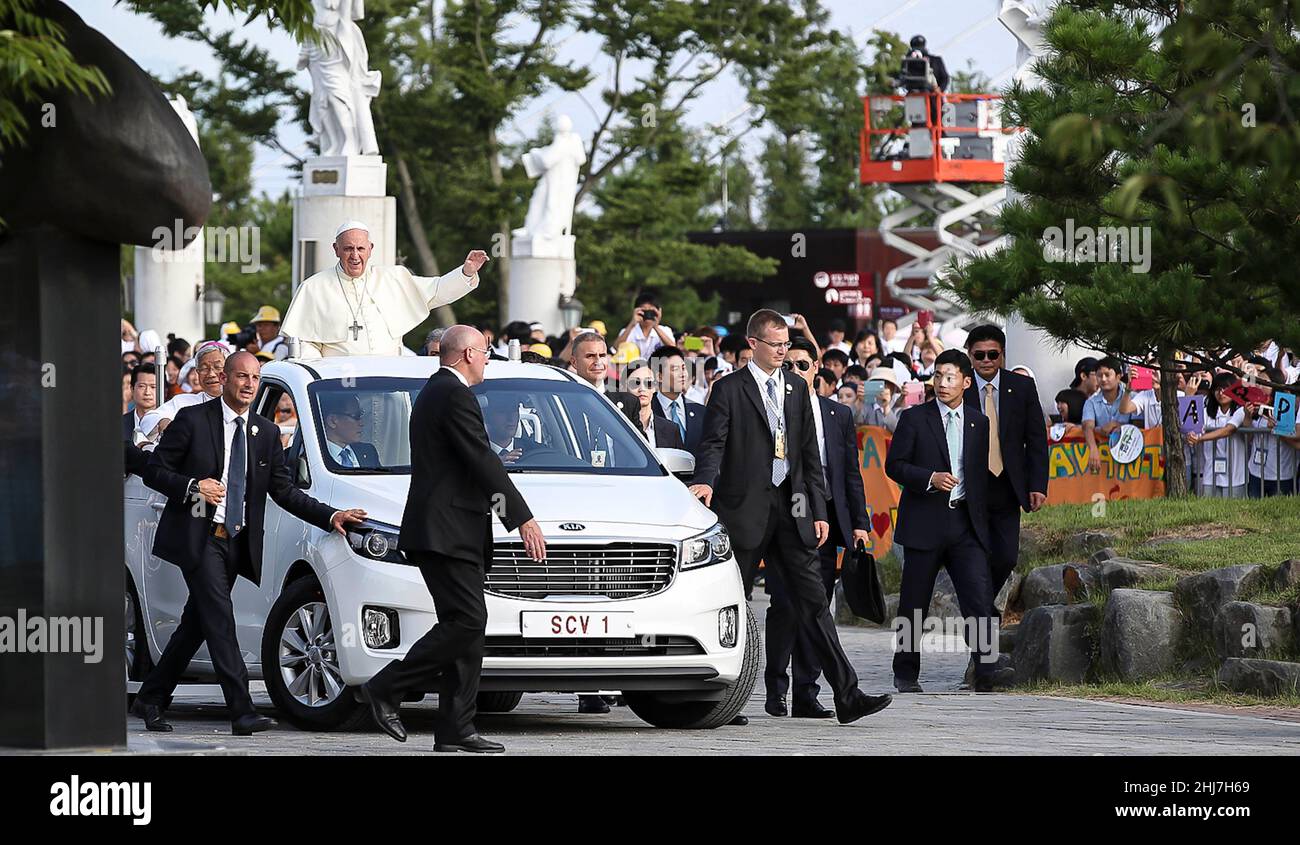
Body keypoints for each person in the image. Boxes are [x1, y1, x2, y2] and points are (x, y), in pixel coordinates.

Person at [132, 352, 367, 735]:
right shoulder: (193, 420)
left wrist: (330, 516)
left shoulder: (266, 432)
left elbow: (285, 491)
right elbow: (155, 470)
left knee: (197, 624)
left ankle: (151, 697)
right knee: (221, 620)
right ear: (224, 379)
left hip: (235, 542)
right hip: (197, 536)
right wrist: (194, 487)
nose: (248, 384)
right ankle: (241, 710)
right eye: (241, 376)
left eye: (255, 378)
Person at [690, 309, 893, 726]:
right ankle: (722, 701)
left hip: (793, 509)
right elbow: (712, 444)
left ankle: (847, 694)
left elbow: (806, 457)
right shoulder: (728, 390)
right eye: (776, 344)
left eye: (786, 343)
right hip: (744, 510)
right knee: (732, 603)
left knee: (813, 601)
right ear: (753, 345)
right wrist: (705, 482)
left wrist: (818, 510)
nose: (783, 351)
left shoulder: (797, 389)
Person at [358, 326, 546, 753]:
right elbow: (482, 460)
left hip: (451, 530)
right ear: (465, 353)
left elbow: (472, 462)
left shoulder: (440, 391)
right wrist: (520, 519)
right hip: (446, 531)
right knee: (468, 622)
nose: (487, 360)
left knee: (464, 628)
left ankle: (455, 727)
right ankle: (386, 686)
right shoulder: (451, 393)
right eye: (484, 352)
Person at [763, 338, 870, 719]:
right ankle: (776, 687)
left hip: (824, 521)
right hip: (782, 521)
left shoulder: (837, 415)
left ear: (817, 368)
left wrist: (859, 524)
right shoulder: (770, 410)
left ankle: (807, 693)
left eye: (803, 365)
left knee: (816, 607)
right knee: (786, 607)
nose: (795, 372)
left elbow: (850, 475)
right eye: (787, 365)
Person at [885, 349, 996, 693]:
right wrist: (929, 478)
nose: (943, 383)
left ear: (966, 382)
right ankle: (905, 672)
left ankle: (987, 669)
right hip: (924, 521)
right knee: (913, 601)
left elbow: (980, 476)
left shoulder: (979, 423)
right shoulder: (915, 418)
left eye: (950, 377)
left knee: (978, 598)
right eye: (938, 376)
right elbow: (895, 466)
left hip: (965, 524)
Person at [281, 220, 485, 357]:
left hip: (388, 385)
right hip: (338, 393)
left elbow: (437, 289)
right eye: (348, 248)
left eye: (360, 248)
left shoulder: (393, 278)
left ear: (370, 249)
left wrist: (465, 273)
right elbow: (302, 343)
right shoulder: (313, 288)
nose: (354, 255)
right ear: (336, 250)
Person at [964, 325, 1049, 623]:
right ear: (969, 355)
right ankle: (981, 615)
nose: (986, 360)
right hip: (969, 488)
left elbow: (1036, 438)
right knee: (975, 557)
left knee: (1006, 557)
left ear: (1002, 354)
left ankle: (979, 606)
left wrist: (1038, 484)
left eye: (993, 354)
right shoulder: (959, 388)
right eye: (979, 355)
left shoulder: (1021, 387)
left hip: (1008, 485)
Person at [137, 341, 227, 440]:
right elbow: (149, 418)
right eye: (204, 368)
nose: (211, 374)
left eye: (218, 367)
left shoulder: (242, 401)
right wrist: (162, 421)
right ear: (198, 372)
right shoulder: (183, 402)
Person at [1186, 373, 1248, 498]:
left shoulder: (1241, 410)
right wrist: (1189, 397)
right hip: (1210, 475)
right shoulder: (1206, 411)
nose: (1221, 393)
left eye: (1226, 389)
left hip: (1235, 476)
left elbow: (1228, 430)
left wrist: (1200, 438)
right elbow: (1191, 426)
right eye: (1218, 389)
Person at [1083, 356, 1136, 473]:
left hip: (1130, 457)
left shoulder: (1132, 397)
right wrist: (1093, 449)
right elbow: (1087, 426)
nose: (1103, 379)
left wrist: (1121, 427)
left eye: (1107, 375)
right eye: (1099, 375)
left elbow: (1140, 425)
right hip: (1104, 460)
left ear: (1118, 376)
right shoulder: (1090, 402)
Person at [648, 346, 705, 452]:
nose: (683, 374)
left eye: (683, 368)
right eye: (675, 369)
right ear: (659, 376)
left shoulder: (701, 412)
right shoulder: (647, 411)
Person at [625, 361, 685, 450]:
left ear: (655, 387)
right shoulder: (618, 426)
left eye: (648, 383)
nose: (642, 388)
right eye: (635, 383)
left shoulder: (671, 429)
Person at [320, 393, 383, 469]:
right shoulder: (314, 456)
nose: (361, 423)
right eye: (356, 416)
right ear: (332, 421)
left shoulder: (368, 451)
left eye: (360, 415)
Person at [615, 289, 674, 359]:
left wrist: (656, 327)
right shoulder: (628, 331)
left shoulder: (665, 330)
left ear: (658, 311)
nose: (647, 314)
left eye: (651, 311)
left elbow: (673, 350)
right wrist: (632, 323)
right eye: (644, 311)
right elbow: (616, 349)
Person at [123, 364, 158, 441]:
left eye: (153, 387)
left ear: (164, 390)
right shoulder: (120, 424)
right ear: (132, 389)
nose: (147, 392)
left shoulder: (172, 423)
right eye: (142, 386)